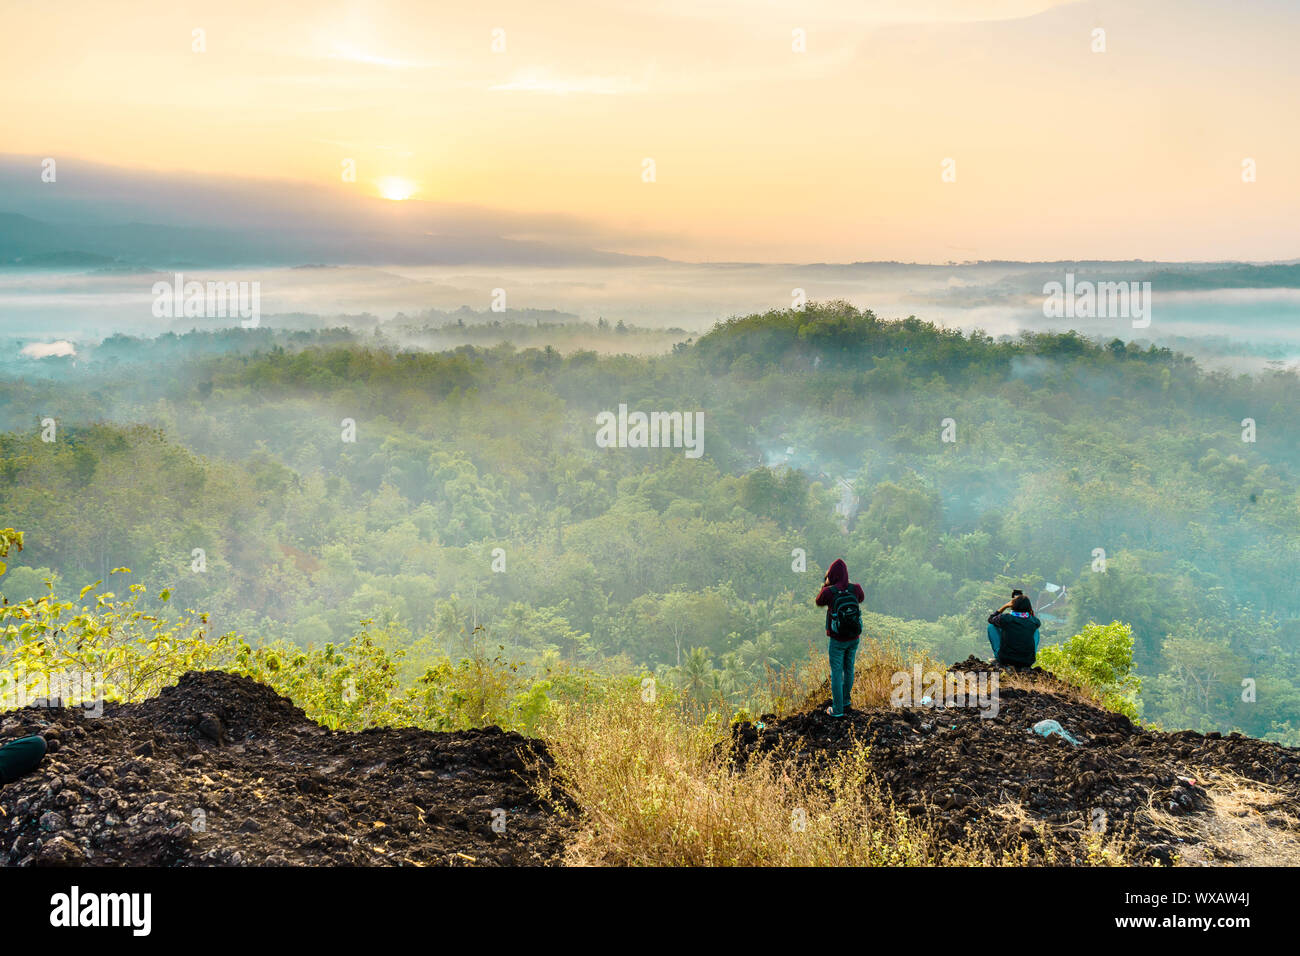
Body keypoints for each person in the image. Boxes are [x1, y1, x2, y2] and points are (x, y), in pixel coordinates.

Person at [815, 558, 864, 717]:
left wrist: (827, 584)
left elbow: (818, 601)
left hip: (837, 639)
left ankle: (837, 710)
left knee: (836, 671)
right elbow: (861, 599)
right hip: (854, 637)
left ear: (832, 575)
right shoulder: (855, 588)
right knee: (849, 668)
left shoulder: (829, 592)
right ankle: (845, 702)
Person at [987, 592, 1041, 667]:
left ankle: (998, 658)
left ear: (1013, 605)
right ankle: (1028, 658)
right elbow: (1034, 621)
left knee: (991, 626)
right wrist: (1030, 612)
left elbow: (990, 619)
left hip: (1005, 659)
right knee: (1036, 631)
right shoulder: (1034, 622)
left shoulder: (1005, 618)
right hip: (1027, 661)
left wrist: (1005, 606)